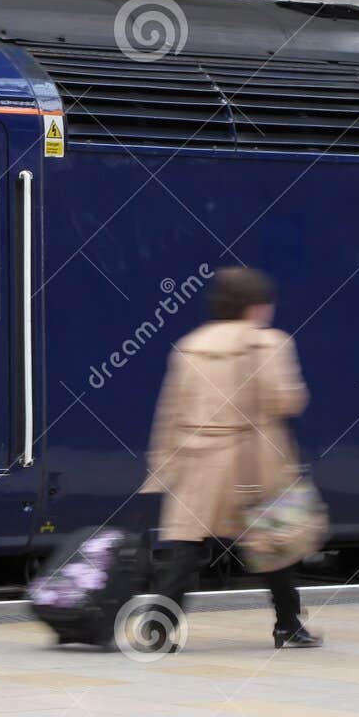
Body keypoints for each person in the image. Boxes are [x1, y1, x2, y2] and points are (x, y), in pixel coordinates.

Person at [142, 265, 322, 649]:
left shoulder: (190, 345)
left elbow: (170, 411)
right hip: (255, 459)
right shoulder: (270, 343)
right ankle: (287, 625)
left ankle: (158, 629)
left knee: (186, 549)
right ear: (256, 307)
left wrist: (162, 464)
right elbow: (287, 400)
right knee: (276, 544)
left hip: (200, 459)